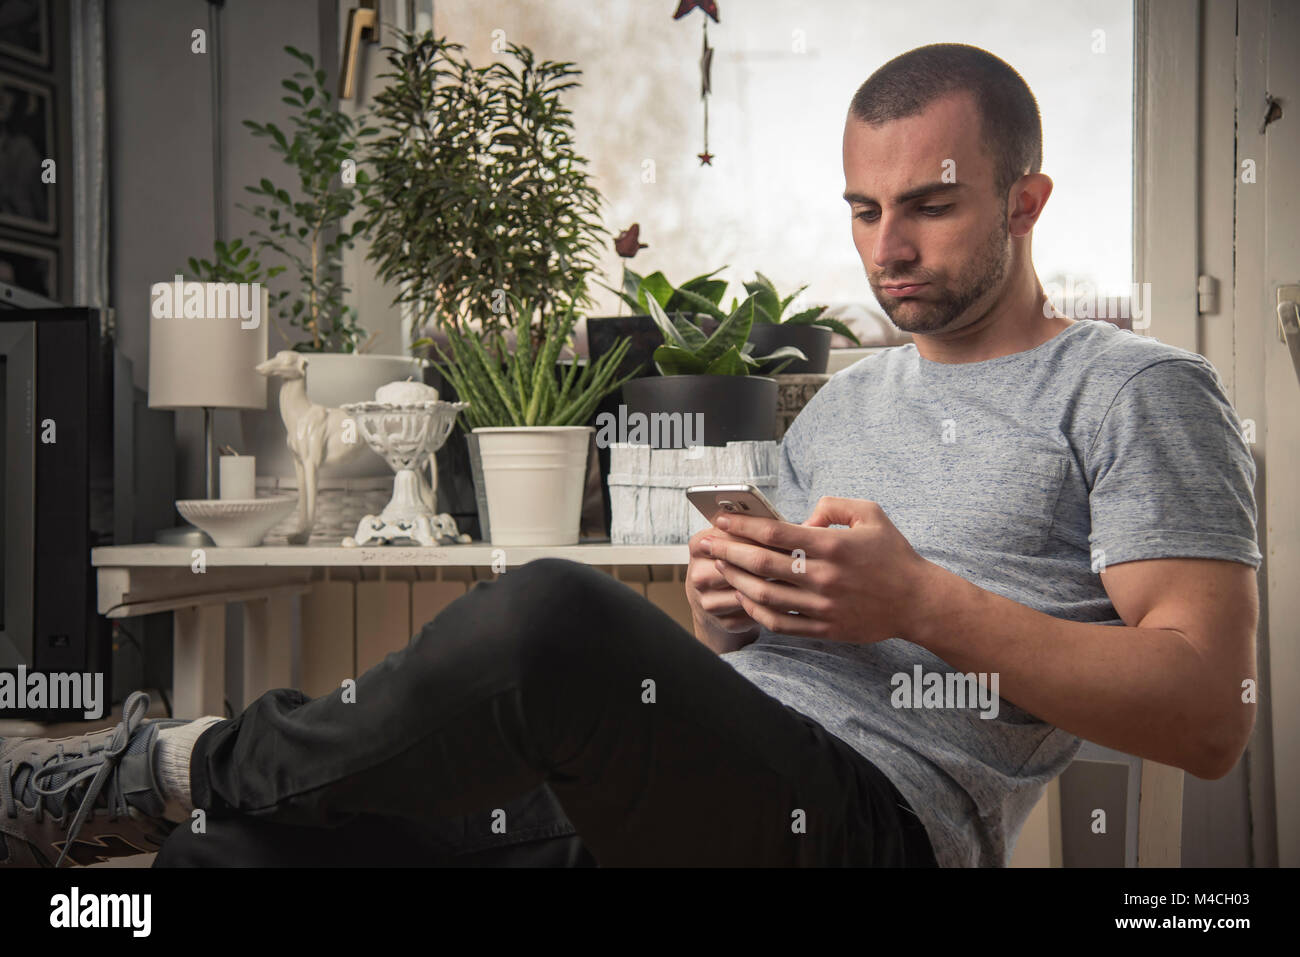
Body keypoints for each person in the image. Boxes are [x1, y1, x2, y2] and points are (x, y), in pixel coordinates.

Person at [0, 42, 1260, 869]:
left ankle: (166, 759)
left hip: (872, 827)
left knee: (551, 606)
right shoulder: (838, 407)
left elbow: (1206, 717)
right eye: (865, 211)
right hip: (679, 794)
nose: (890, 247)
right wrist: (731, 615)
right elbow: (756, 662)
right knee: (228, 861)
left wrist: (925, 603)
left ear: (1025, 201)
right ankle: (179, 795)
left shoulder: (1135, 390)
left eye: (929, 205)